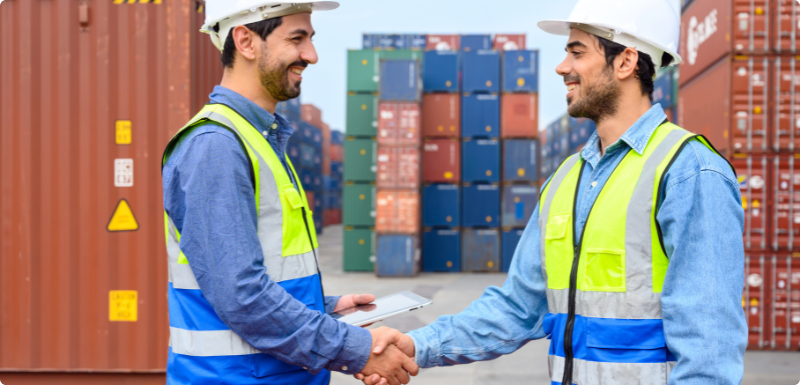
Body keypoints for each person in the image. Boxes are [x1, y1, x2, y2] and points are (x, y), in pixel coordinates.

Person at [358, 0, 747, 384]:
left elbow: (708, 348)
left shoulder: (689, 172)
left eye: (577, 53)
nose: (563, 67)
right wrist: (415, 344)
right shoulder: (565, 178)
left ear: (626, 62)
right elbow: (517, 308)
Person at [161, 1, 418, 384]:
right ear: (245, 41)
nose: (311, 55)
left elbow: (253, 278)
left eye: (310, 39)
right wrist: (357, 350)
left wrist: (326, 309)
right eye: (297, 39)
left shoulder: (259, 140)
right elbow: (241, 297)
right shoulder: (216, 146)